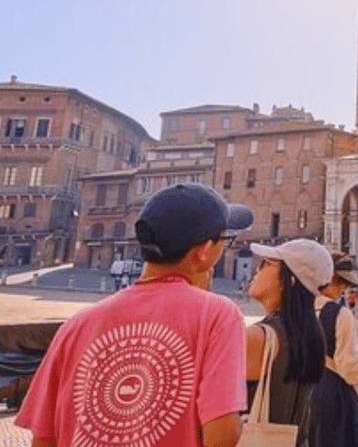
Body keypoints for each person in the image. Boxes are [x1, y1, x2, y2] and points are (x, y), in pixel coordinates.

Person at [15, 183, 252, 447]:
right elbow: (221, 433)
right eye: (224, 239)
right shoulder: (218, 315)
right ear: (204, 251)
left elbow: (43, 438)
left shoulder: (76, 325)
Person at [245, 238, 332, 438]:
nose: (257, 270)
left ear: (288, 280)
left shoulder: (258, 337)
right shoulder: (308, 334)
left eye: (266, 264)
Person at [307, 252, 358, 447]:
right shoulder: (340, 315)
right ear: (331, 280)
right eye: (342, 283)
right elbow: (349, 370)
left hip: (307, 394)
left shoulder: (300, 311)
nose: (344, 289)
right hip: (335, 396)